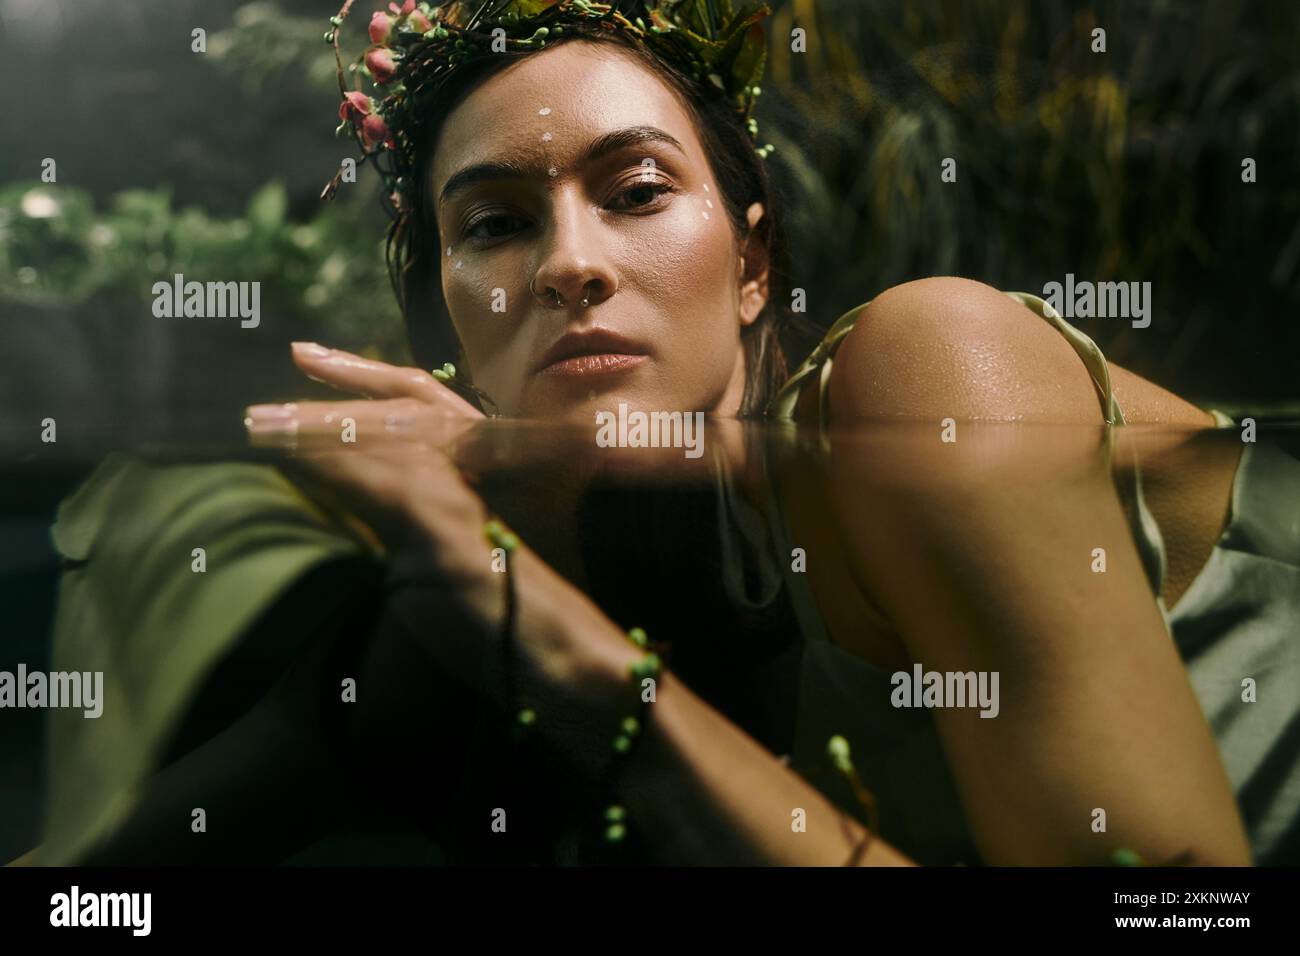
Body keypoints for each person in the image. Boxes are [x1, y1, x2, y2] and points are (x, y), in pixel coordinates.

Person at [33, 0, 1299, 867]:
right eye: (494, 224)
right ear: (445, 328)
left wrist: (568, 660)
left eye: (635, 191)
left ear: (752, 266)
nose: (568, 263)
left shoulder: (928, 370)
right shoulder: (492, 567)